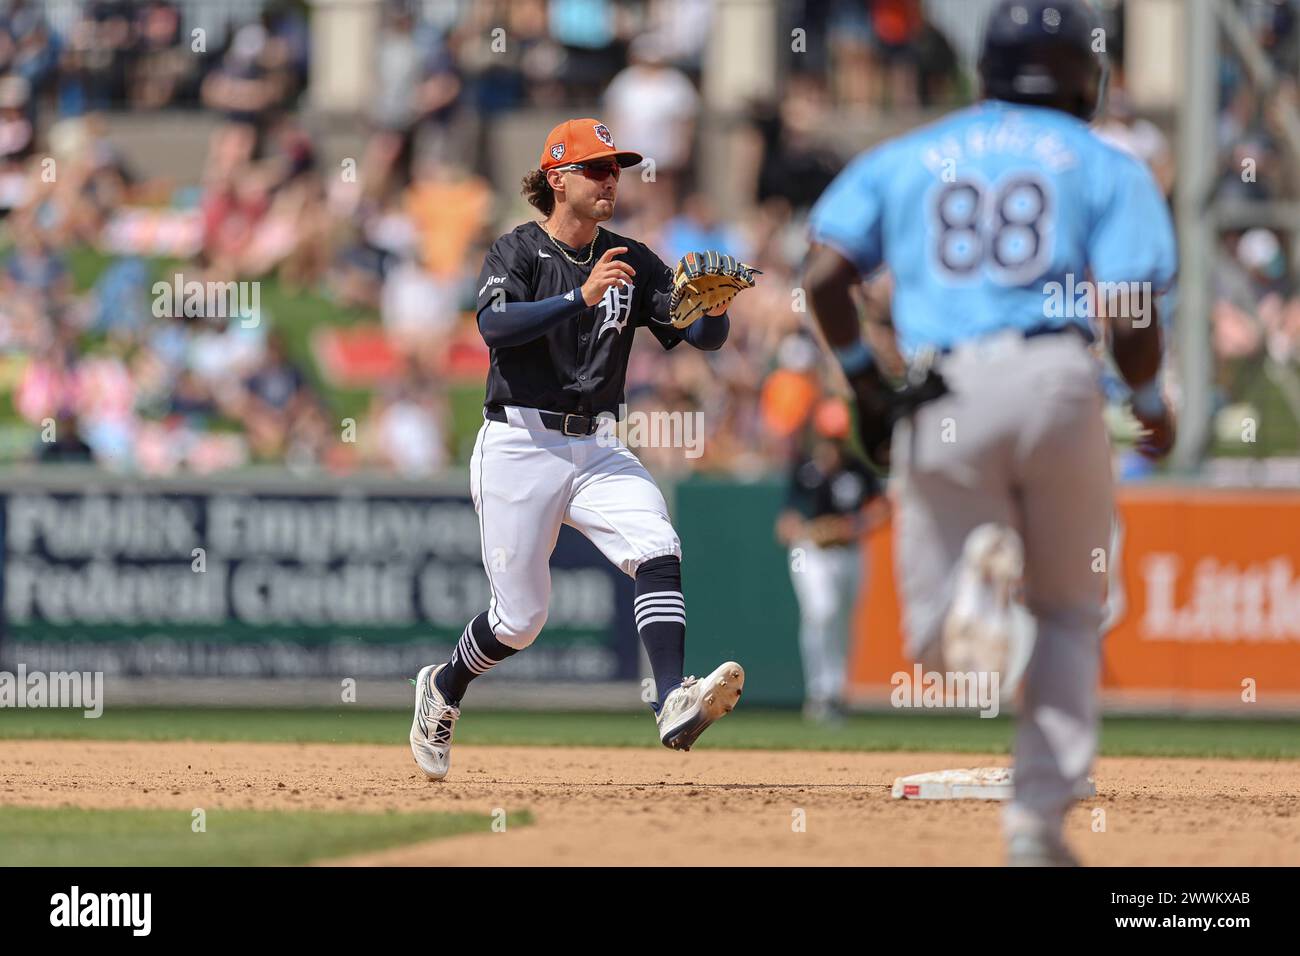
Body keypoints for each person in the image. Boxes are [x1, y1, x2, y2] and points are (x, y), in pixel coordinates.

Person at [802, 0, 1177, 865]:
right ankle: (1036, 828)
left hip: (947, 386)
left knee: (938, 644)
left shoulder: (910, 153)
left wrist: (864, 380)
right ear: (1085, 75)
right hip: (1060, 383)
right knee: (1074, 614)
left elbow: (824, 274)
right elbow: (1129, 305)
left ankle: (977, 587)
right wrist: (1150, 400)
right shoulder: (1106, 161)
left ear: (987, 73)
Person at [410, 118, 747, 780]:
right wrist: (577, 297)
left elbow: (703, 338)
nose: (610, 180)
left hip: (596, 444)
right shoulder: (517, 250)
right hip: (517, 442)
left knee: (657, 545)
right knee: (521, 620)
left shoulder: (634, 257)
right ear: (558, 178)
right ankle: (444, 687)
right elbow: (494, 327)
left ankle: (672, 698)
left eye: (615, 169)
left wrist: (717, 308)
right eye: (596, 169)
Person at [777, 397, 887, 723]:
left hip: (850, 552)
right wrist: (808, 530)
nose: (832, 446)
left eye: (836, 439)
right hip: (810, 553)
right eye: (827, 438)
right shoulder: (804, 469)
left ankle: (837, 693)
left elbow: (883, 507)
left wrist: (852, 527)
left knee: (842, 622)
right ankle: (819, 691)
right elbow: (785, 524)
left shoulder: (856, 469)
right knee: (820, 612)